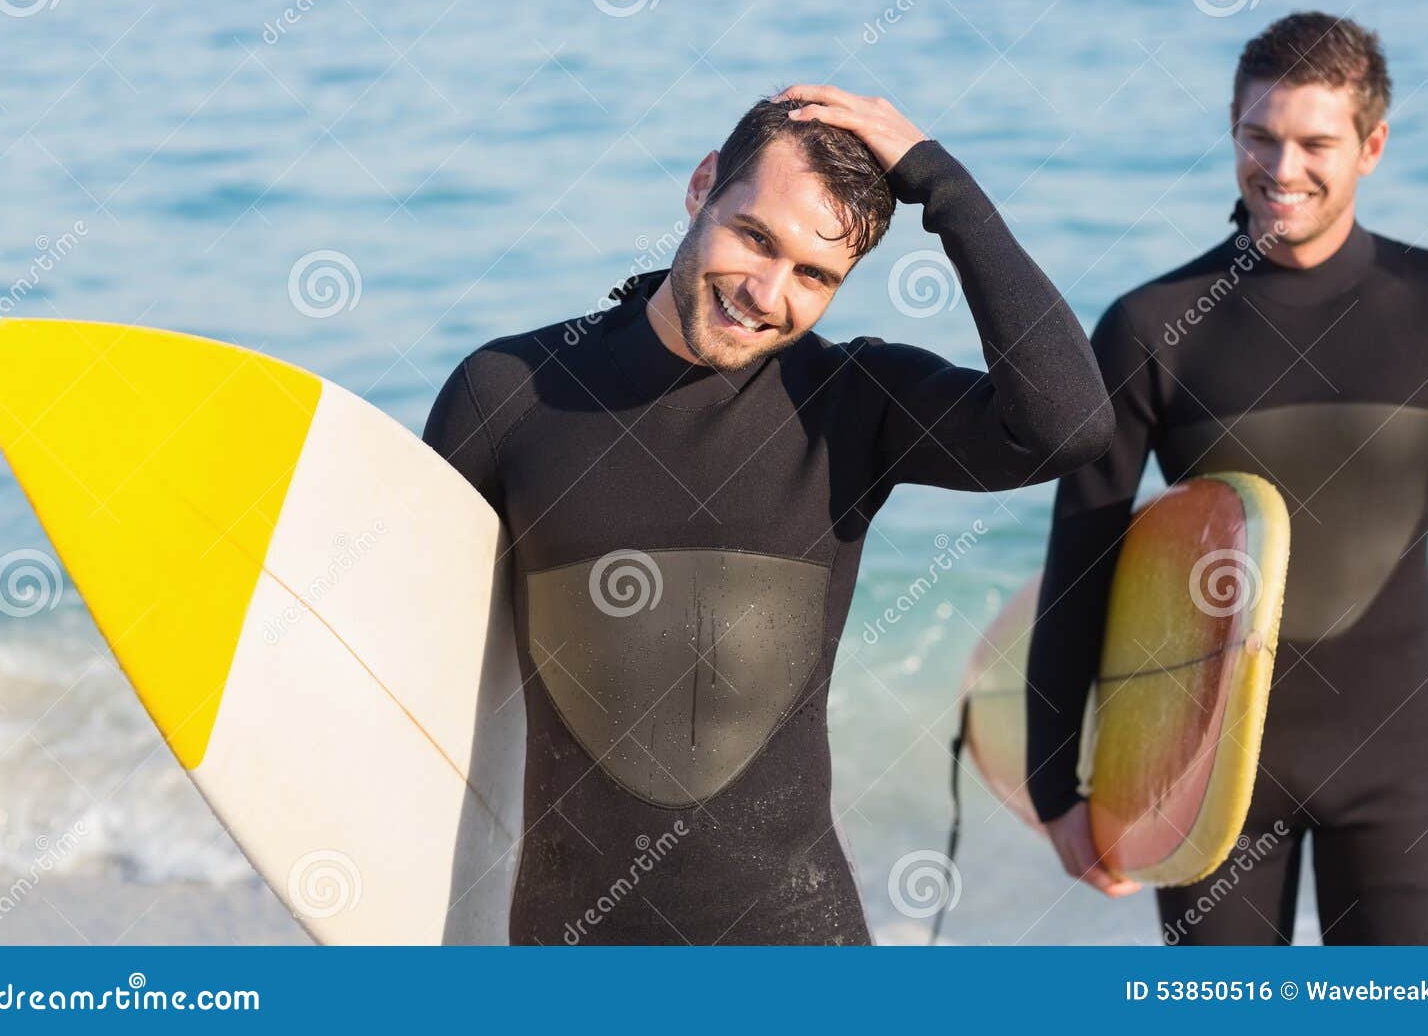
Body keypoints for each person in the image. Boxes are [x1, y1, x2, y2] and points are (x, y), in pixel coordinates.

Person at [424, 84, 1113, 944]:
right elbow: (412, 665)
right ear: (702, 184)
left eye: (815, 276)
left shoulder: (851, 408)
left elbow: (1069, 424)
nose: (767, 292)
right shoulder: (510, 394)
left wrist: (943, 183)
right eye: (755, 237)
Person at [1026, 12, 1428, 944]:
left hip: (1395, 768)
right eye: (1258, 137)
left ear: (1373, 145)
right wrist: (1055, 782)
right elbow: (1084, 553)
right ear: (1231, 130)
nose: (1282, 169)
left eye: (1316, 142)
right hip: (1201, 773)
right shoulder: (1154, 326)